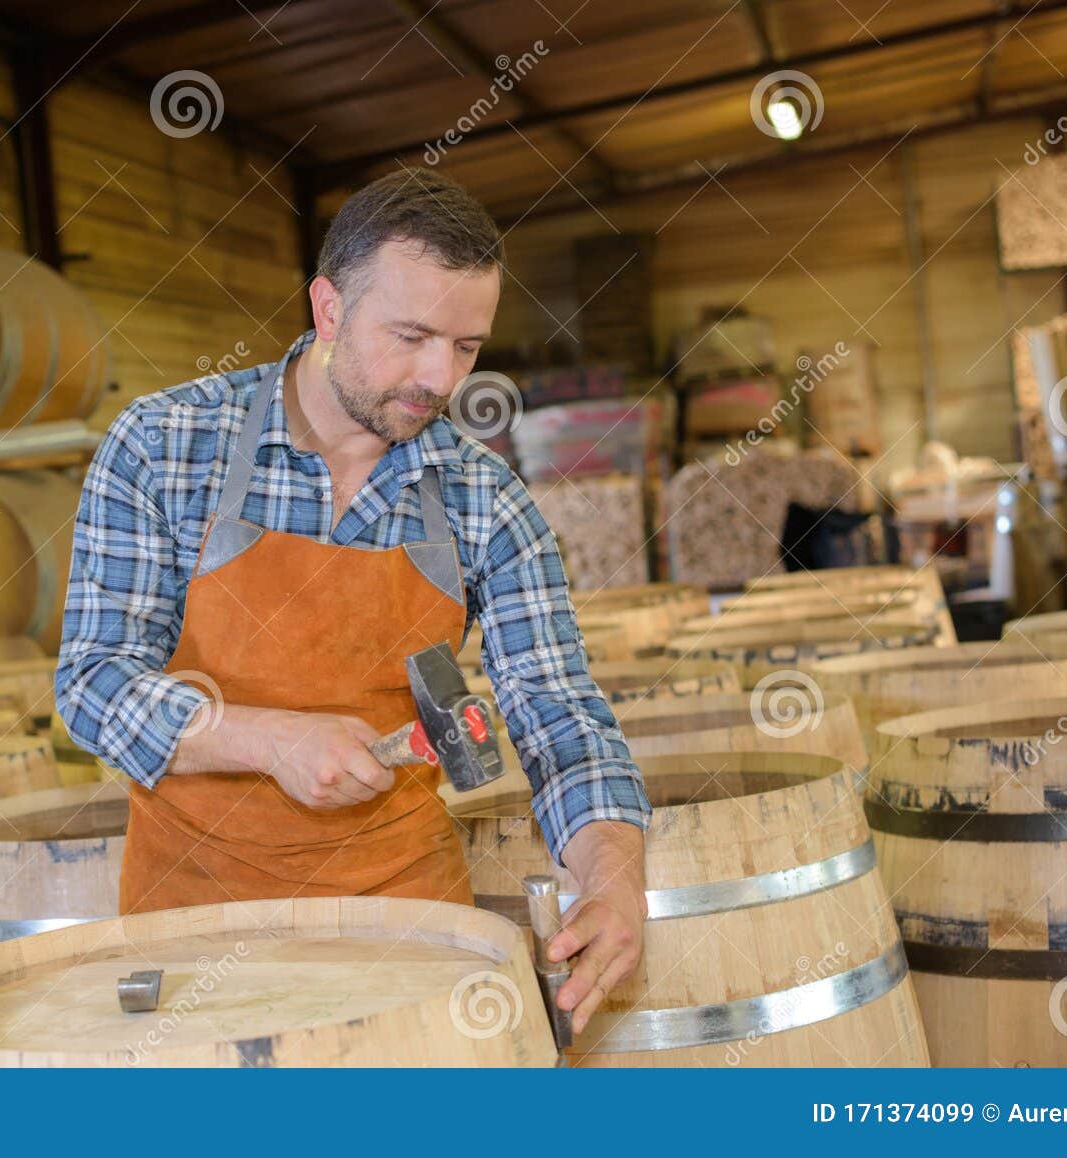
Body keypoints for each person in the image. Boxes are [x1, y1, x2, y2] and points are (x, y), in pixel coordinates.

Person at [57, 168, 649, 1034]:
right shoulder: (166, 445)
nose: (439, 377)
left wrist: (614, 878)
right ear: (329, 309)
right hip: (195, 931)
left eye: (467, 346)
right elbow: (92, 685)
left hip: (407, 927)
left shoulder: (484, 498)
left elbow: (558, 713)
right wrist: (270, 739)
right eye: (412, 336)